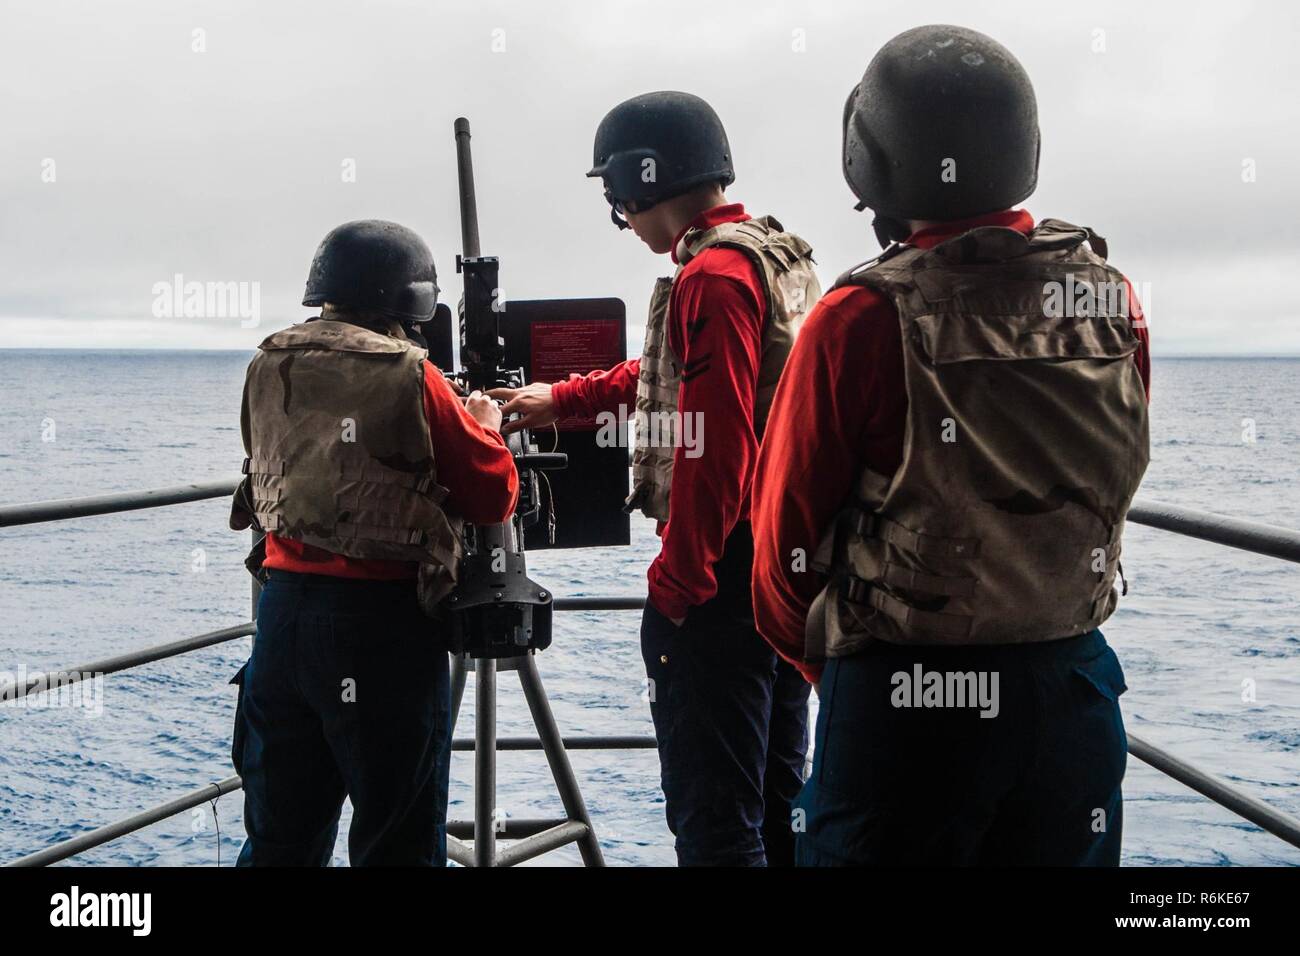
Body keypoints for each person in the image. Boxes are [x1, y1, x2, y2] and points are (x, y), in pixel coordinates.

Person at [751, 25, 1152, 866]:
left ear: (870, 157)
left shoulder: (858, 319)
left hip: (907, 704)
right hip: (1075, 695)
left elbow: (782, 550)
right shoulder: (1110, 300)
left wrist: (850, 680)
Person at [488, 91, 821, 866]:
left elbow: (715, 442)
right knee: (774, 794)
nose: (620, 214)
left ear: (640, 182)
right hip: (784, 561)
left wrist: (680, 580)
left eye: (617, 196)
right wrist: (566, 399)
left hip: (723, 579)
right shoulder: (766, 255)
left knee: (714, 814)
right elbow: (688, 370)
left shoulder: (711, 276)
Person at [228, 219, 518, 866]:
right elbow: (489, 496)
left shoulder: (268, 363)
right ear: (409, 305)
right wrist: (486, 425)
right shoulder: (412, 376)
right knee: (399, 842)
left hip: (282, 619)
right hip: (381, 627)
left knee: (281, 838)